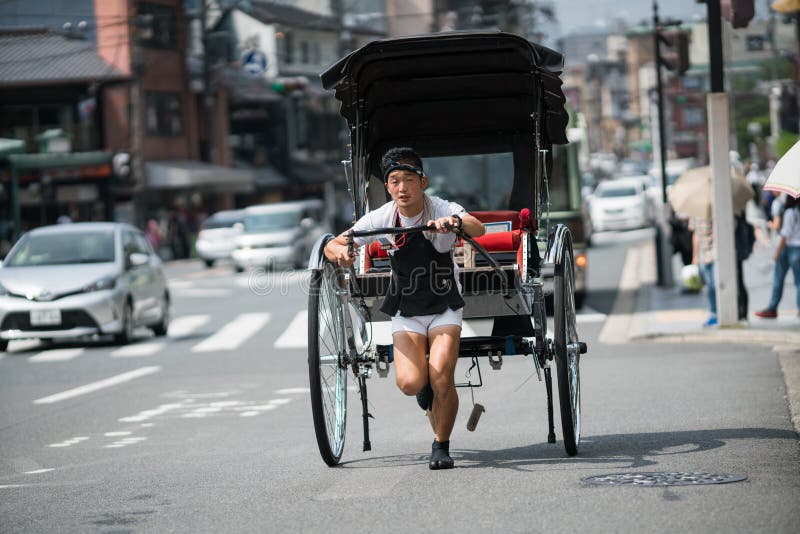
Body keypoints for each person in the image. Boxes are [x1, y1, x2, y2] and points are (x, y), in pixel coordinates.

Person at [324, 147, 485, 470]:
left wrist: (454, 223)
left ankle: (441, 444)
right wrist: (340, 253)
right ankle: (425, 387)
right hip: (407, 307)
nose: (402, 188)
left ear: (422, 182)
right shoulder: (382, 217)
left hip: (444, 304)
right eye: (394, 181)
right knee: (410, 383)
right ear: (387, 186)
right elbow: (333, 243)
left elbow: (476, 227)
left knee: (442, 376)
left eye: (409, 179)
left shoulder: (440, 207)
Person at [755, 196, 800, 319]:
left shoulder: (790, 212)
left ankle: (772, 308)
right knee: (798, 281)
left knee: (778, 278)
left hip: (790, 247)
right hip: (797, 248)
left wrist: (777, 253)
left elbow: (785, 234)